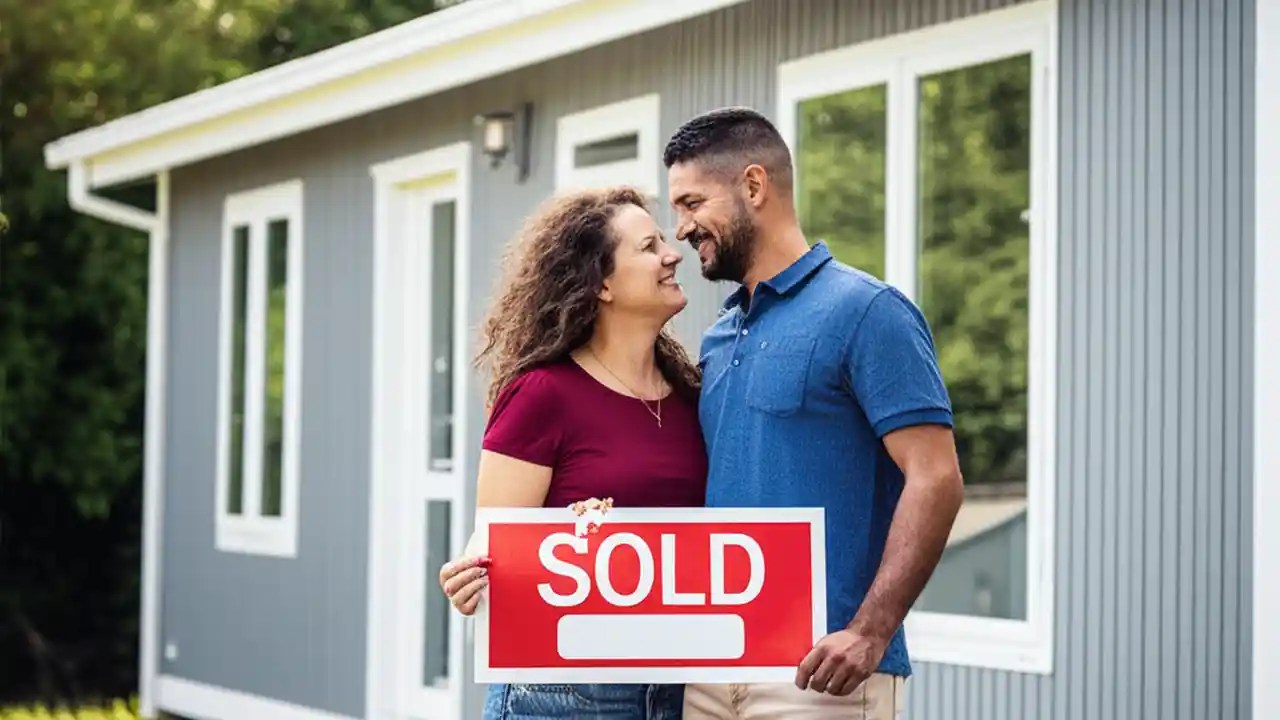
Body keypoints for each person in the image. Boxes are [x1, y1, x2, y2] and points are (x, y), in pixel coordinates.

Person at [663, 107, 964, 719]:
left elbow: (936, 478)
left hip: (819, 679)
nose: (680, 229)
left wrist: (871, 630)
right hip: (711, 667)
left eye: (692, 203)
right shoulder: (721, 336)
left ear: (753, 186)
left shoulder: (868, 311)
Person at [436, 186, 706, 720]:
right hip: (561, 694)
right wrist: (470, 576)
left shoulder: (694, 395)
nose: (673, 253)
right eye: (649, 247)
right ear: (602, 283)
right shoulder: (543, 394)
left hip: (672, 689)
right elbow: (497, 537)